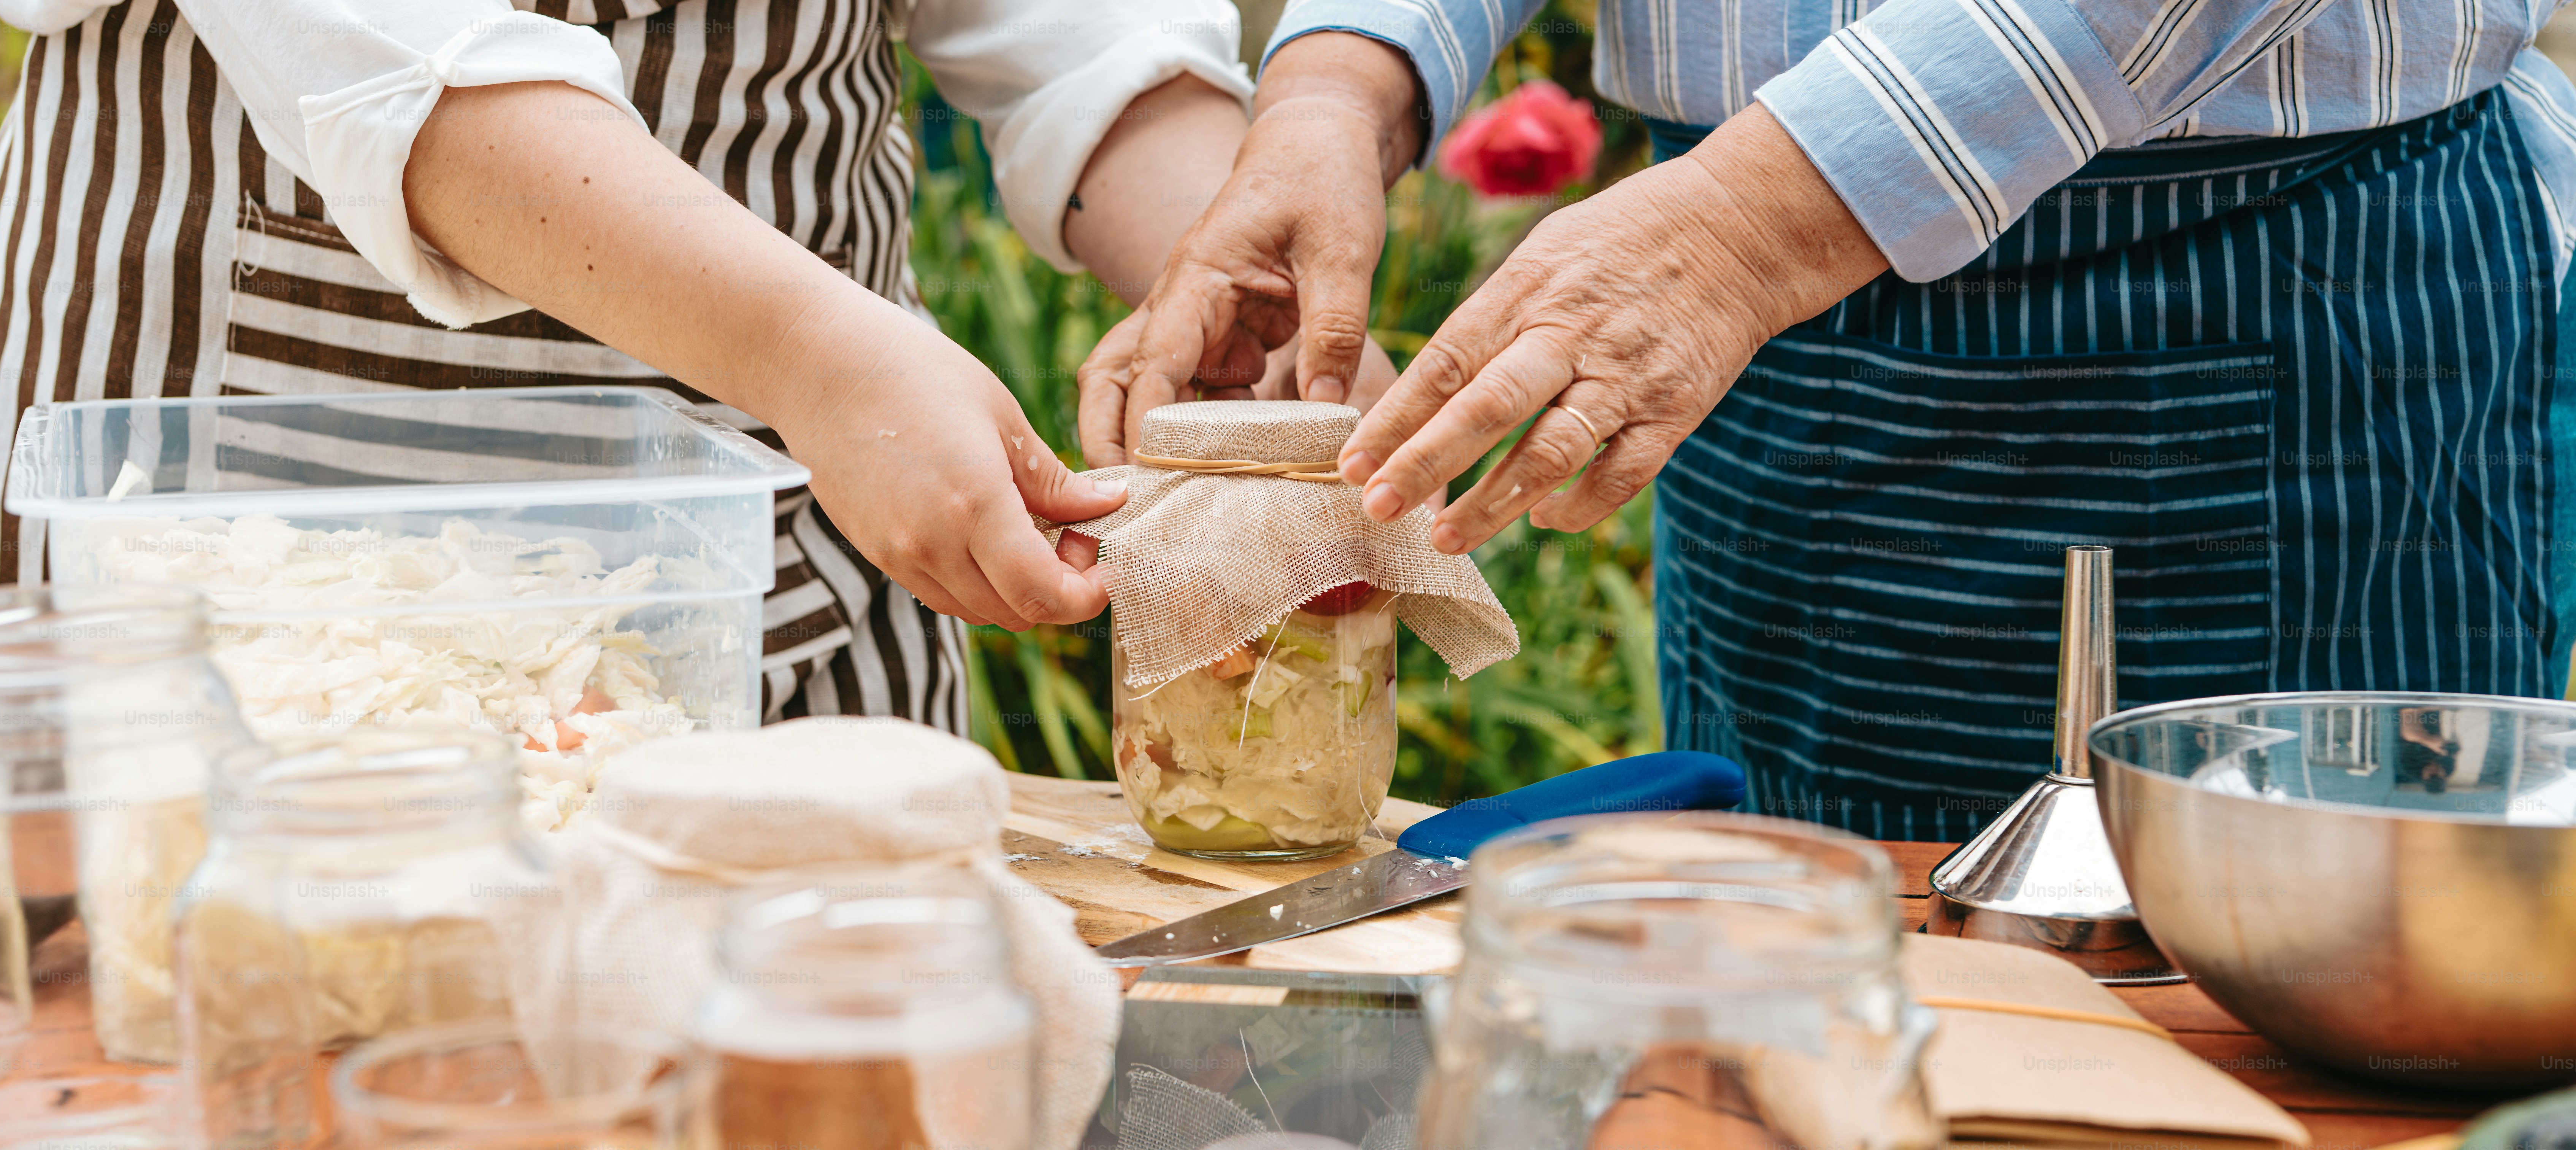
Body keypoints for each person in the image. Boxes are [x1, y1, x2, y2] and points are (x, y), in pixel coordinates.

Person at [1092, 4, 2576, 839]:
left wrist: (1756, 222)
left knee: (2246, 1025)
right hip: (1732, 290)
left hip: (2244, 287)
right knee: (1796, 998)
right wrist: (1345, 84)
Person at [0, 0, 1268, 731]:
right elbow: (371, 49)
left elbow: (1076, 30)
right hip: (208, 521)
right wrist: (811, 358)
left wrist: (1227, 267)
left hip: (812, 561)